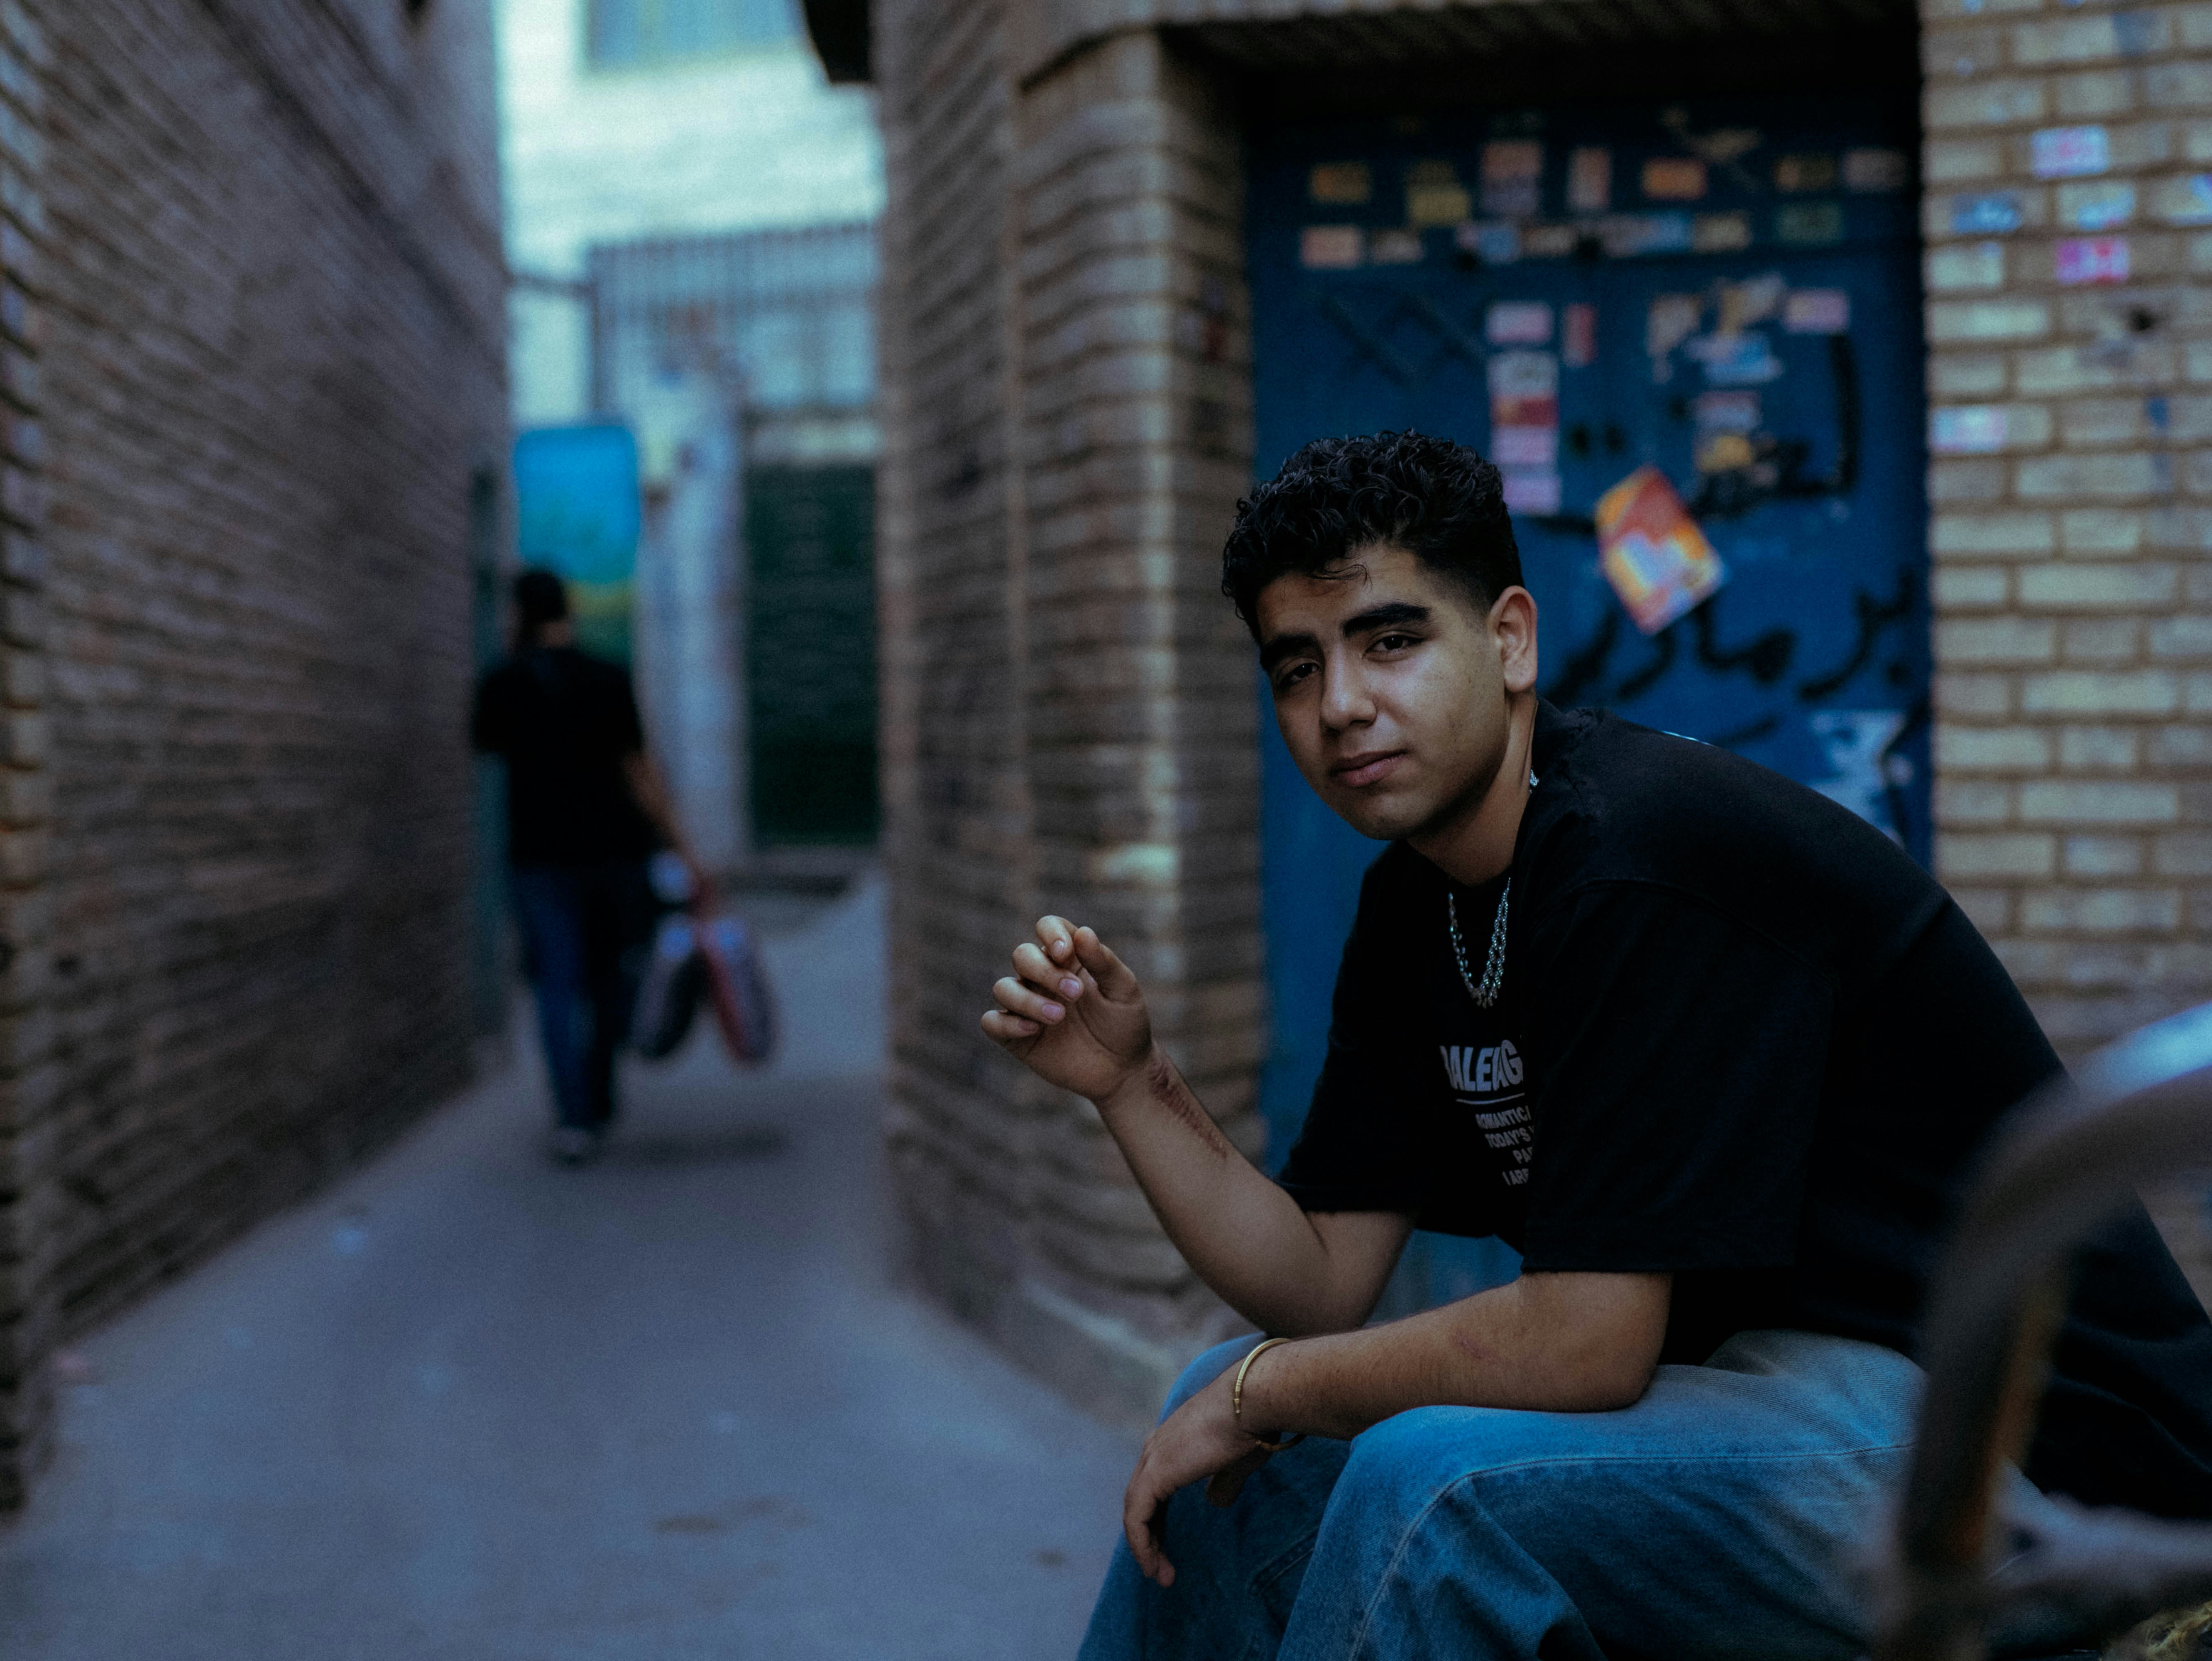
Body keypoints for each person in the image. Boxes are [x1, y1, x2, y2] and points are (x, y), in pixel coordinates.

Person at [980, 432, 2212, 1660]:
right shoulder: (1417, 901)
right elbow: (1317, 1280)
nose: (1341, 705)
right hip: (1774, 1400)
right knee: (1236, 1436)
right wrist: (1134, 1085)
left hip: (2019, 1452)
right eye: (1296, 668)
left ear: (1510, 640)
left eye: (1392, 641)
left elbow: (1588, 1342)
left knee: (1434, 1485)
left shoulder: (1644, 857)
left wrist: (1262, 1391)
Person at [473, 569, 702, 1165]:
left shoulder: (502, 683)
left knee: (555, 982)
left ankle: (572, 1117)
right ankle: (599, 1099)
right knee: (605, 978)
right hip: (613, 854)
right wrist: (686, 850)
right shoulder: (607, 676)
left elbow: (485, 745)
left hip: (541, 857)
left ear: (519, 613)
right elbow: (640, 772)